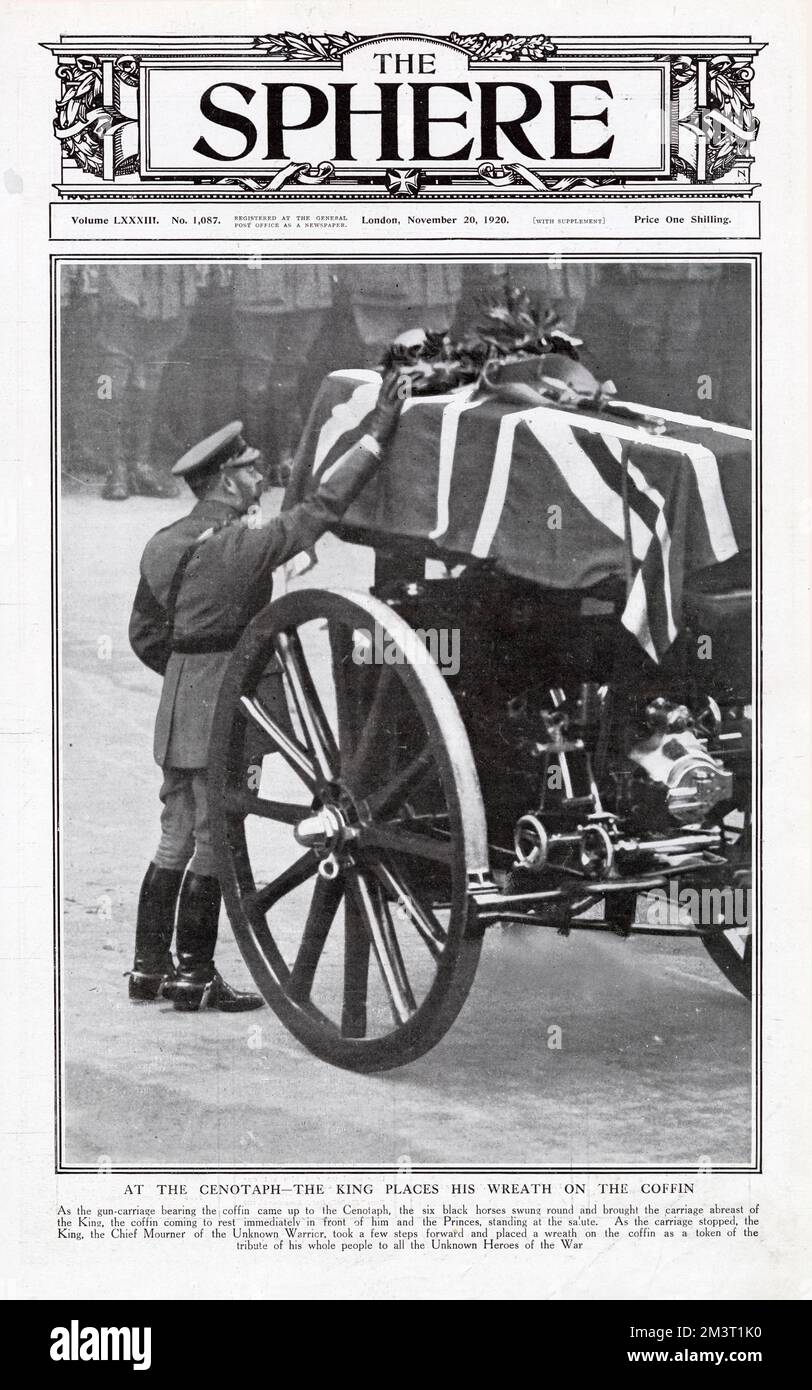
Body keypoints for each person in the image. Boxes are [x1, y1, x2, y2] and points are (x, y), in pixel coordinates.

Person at [127, 372, 404, 1012]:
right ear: (227, 480)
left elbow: (144, 636)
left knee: (176, 831)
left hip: (178, 706)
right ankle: (195, 975)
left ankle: (149, 970)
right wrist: (376, 435)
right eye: (251, 471)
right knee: (214, 839)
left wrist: (184, 676)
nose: (261, 479)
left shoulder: (163, 543)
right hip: (229, 705)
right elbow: (323, 509)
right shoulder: (243, 545)